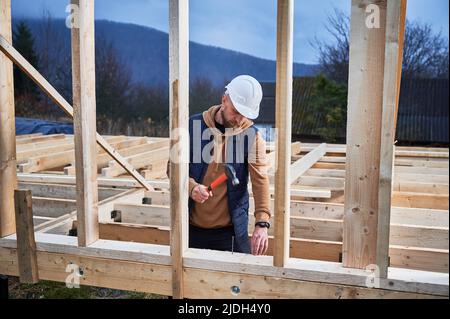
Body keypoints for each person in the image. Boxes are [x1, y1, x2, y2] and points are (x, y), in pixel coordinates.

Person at [188, 75, 271, 255]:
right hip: (189, 229)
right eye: (235, 111)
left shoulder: (252, 137)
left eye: (245, 114)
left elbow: (260, 181)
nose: (239, 119)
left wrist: (262, 223)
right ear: (224, 100)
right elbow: (172, 169)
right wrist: (191, 187)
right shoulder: (191, 126)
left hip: (230, 233)